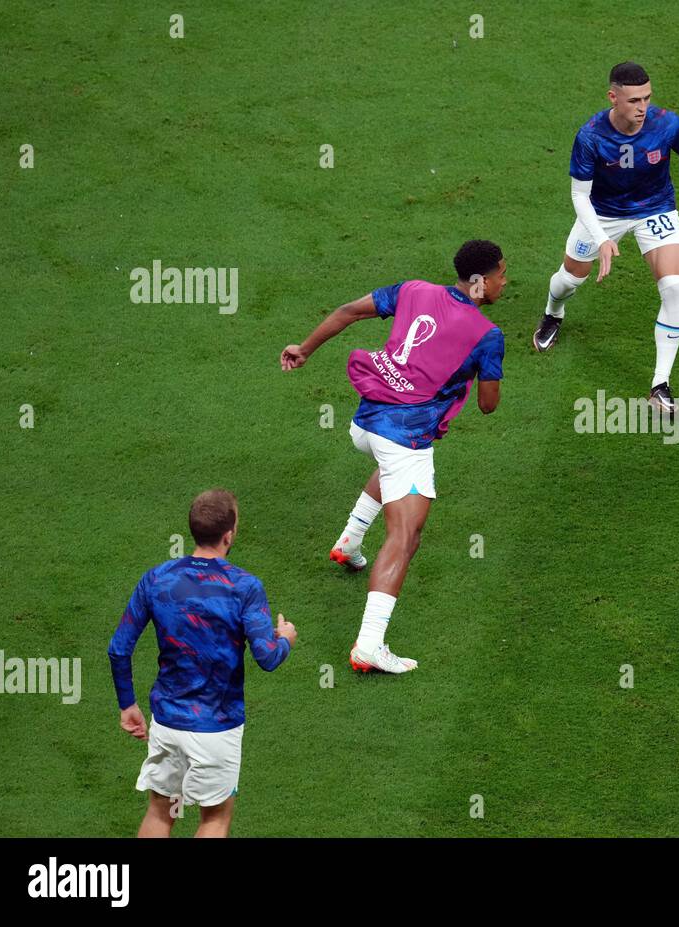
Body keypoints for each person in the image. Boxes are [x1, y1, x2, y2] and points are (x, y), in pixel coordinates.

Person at [280, 240, 507, 673]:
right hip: (405, 438)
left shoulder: (414, 290)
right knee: (406, 537)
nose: (504, 282)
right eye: (500, 274)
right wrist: (485, 368)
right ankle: (369, 645)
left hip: (365, 422)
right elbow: (488, 406)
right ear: (480, 281)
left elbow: (348, 311)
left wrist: (304, 348)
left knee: (392, 472)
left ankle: (349, 540)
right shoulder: (488, 336)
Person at [532, 61, 679, 413]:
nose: (642, 108)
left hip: (655, 209)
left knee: (674, 287)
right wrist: (601, 238)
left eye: (647, 98)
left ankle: (659, 384)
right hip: (602, 213)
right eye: (633, 101)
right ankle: (553, 313)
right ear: (613, 98)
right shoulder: (590, 136)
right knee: (570, 280)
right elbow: (579, 196)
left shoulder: (666, 124)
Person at [109, 488, 296, 837]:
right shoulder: (244, 587)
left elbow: (119, 648)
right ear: (230, 533)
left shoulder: (157, 579)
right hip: (217, 728)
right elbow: (267, 657)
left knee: (160, 814)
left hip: (167, 721)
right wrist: (285, 638)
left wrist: (127, 705)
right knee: (214, 820)